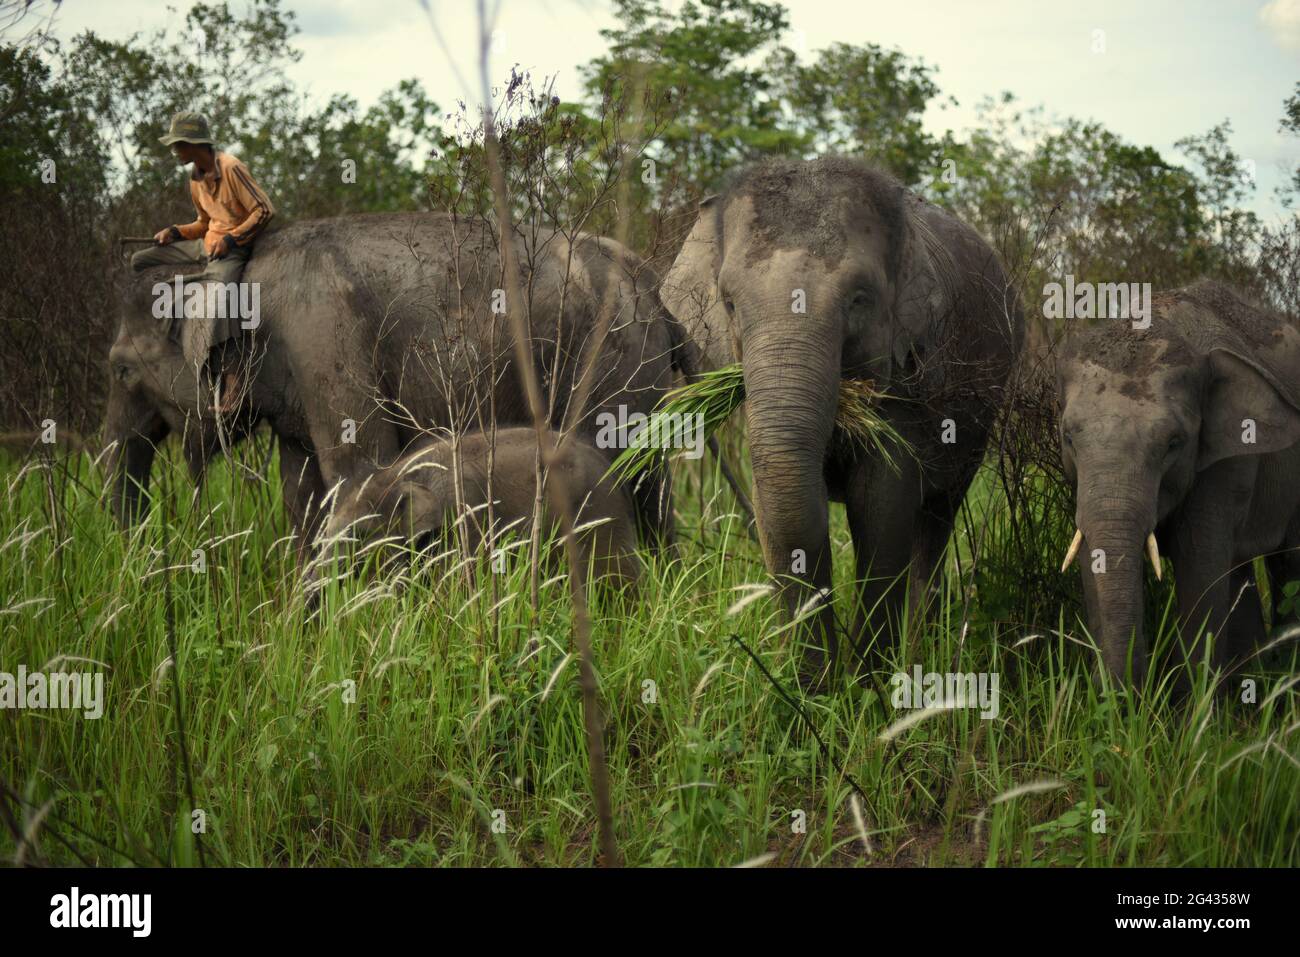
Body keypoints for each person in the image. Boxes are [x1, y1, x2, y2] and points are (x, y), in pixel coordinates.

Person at [131, 111, 274, 415]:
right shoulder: (195, 178)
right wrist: (175, 232)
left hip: (233, 249)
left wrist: (233, 239)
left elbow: (263, 210)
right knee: (140, 260)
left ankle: (234, 384)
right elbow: (203, 222)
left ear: (194, 144)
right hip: (205, 244)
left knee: (223, 299)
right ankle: (167, 327)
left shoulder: (232, 168)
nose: (175, 151)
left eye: (178, 145)